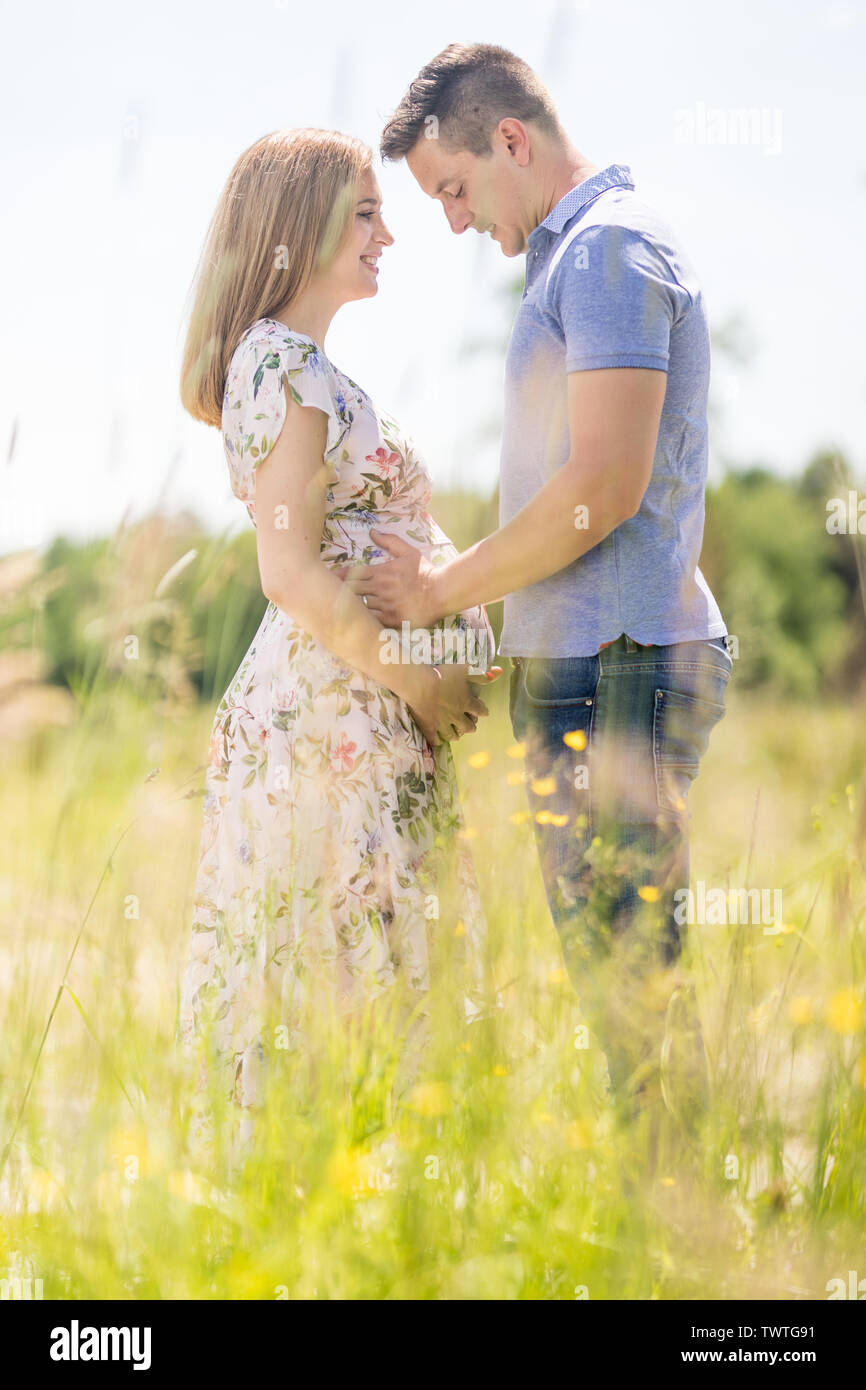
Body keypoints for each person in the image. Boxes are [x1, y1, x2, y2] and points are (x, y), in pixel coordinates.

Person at [347, 44, 733, 1136]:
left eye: (455, 190)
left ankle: (686, 1252)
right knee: (617, 976)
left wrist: (436, 588)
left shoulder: (607, 251)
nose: (455, 222)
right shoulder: (569, 259)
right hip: (589, 662)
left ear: (508, 140)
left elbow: (603, 486)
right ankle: (667, 1229)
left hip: (619, 663)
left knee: (631, 983)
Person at [176, 128, 500, 1145]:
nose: (389, 234)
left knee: (358, 968)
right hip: (334, 720)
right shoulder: (277, 363)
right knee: (334, 977)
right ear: (297, 229)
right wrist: (420, 683)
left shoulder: (299, 363)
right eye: (365, 212)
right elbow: (289, 571)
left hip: (354, 717)